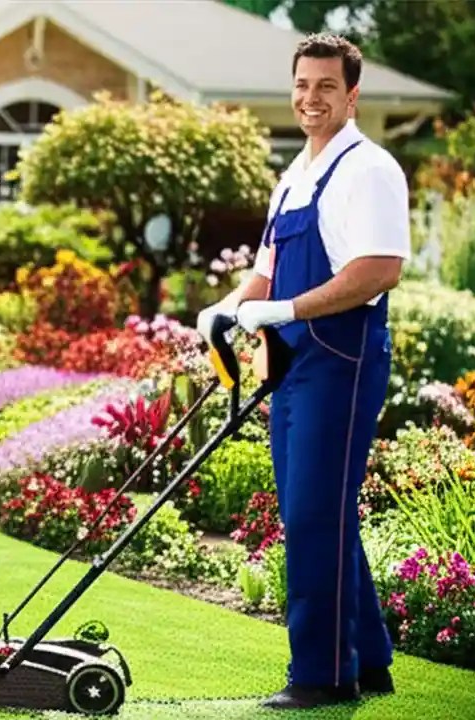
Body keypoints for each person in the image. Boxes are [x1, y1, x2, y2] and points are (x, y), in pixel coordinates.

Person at [196, 33, 410, 709]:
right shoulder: (294, 176)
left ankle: (323, 675)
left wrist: (283, 308)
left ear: (351, 95)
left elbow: (378, 271)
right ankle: (371, 658)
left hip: (342, 359)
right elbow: (263, 273)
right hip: (291, 365)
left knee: (316, 514)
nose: (309, 99)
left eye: (325, 87)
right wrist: (226, 310)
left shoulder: (368, 170)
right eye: (301, 85)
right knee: (315, 511)